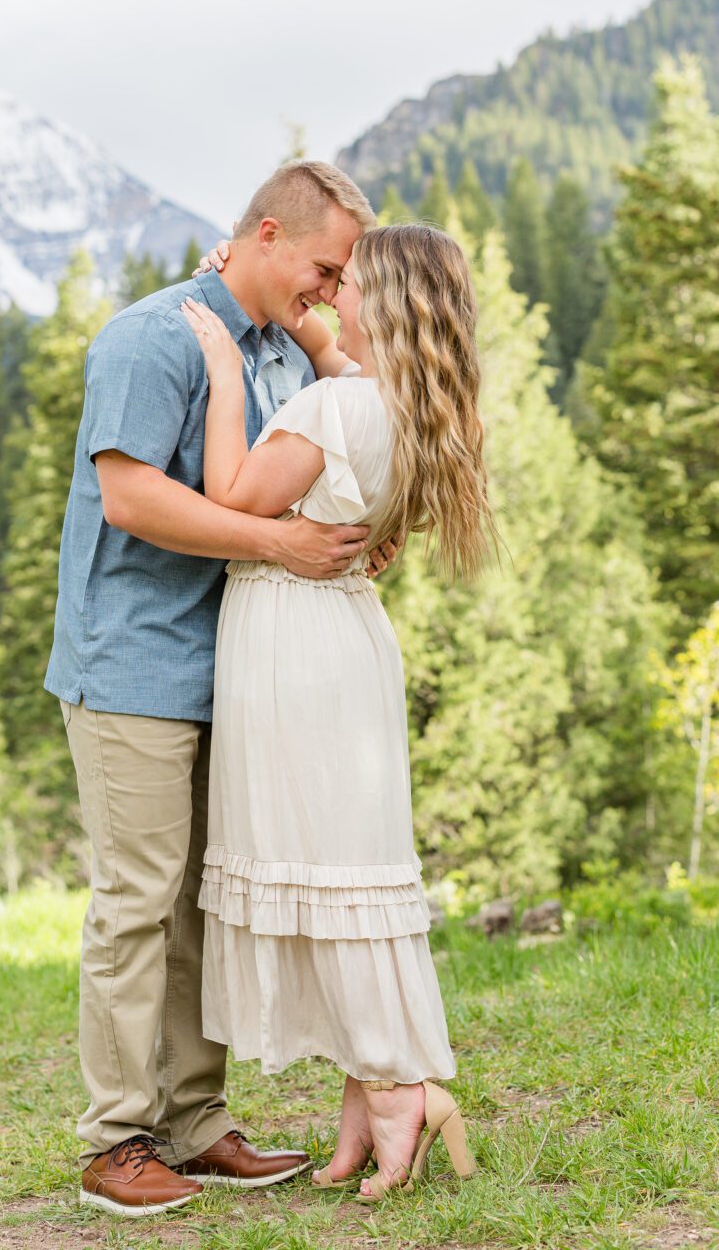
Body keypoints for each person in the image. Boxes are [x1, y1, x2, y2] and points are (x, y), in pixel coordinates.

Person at [44, 160, 399, 1218]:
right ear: (266, 234)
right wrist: (280, 545)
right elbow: (131, 497)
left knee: (200, 904)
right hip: (135, 663)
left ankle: (194, 1125)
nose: (330, 291)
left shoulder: (282, 348)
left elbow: (302, 464)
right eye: (324, 268)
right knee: (137, 903)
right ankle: (116, 1141)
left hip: (234, 668)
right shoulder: (151, 338)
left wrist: (353, 530)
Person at [180, 221, 491, 1205]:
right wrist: (288, 309)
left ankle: (399, 1089)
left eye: (344, 284)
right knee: (348, 871)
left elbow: (232, 495)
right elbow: (338, 354)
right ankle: (376, 1088)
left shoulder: (331, 407)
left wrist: (225, 374)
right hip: (350, 637)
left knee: (313, 863)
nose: (329, 297)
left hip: (290, 640)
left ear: (382, 301)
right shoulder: (421, 409)